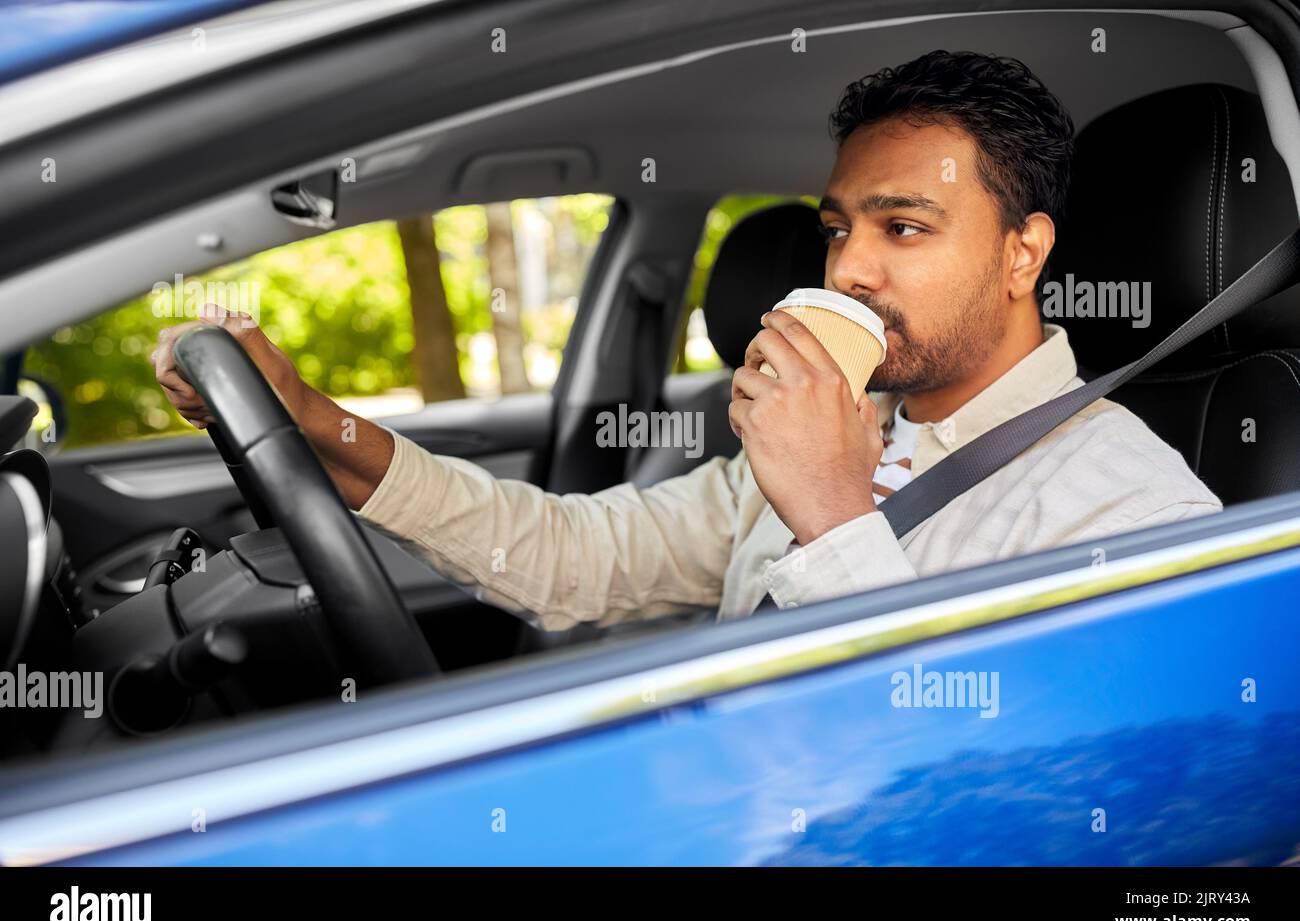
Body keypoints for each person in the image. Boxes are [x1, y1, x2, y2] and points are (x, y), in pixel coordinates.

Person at [152, 51, 1220, 632]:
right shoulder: (834, 427)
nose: (846, 267)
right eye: (839, 227)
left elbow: (1021, 801)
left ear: (1021, 253)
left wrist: (834, 515)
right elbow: (567, 557)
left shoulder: (1135, 504)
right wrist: (318, 421)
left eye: (903, 227)